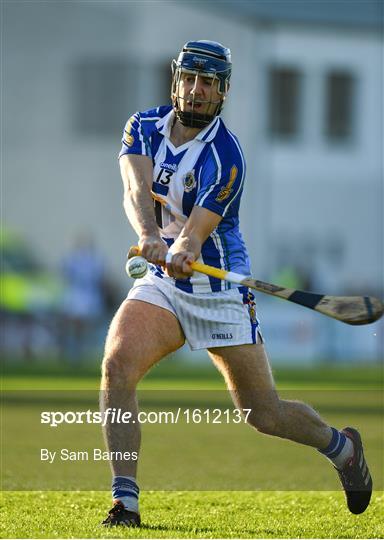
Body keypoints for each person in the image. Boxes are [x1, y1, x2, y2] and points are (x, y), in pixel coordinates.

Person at [100, 40, 372, 527]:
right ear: (176, 79)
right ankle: (126, 502)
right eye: (190, 78)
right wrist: (148, 236)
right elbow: (135, 188)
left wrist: (184, 245)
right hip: (162, 281)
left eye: (208, 82)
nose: (197, 90)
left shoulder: (227, 156)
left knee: (262, 415)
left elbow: (197, 232)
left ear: (223, 91)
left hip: (218, 290)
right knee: (117, 366)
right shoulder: (142, 126)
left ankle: (343, 448)